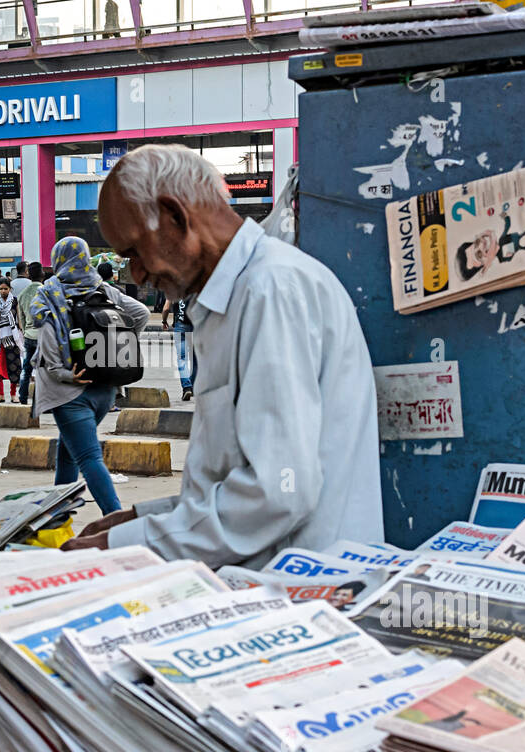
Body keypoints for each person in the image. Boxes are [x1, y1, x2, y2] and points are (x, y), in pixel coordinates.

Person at [63, 143, 383, 567]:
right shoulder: (229, 299)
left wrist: (129, 544)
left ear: (176, 216)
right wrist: (144, 516)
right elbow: (234, 481)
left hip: (295, 584)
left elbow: (278, 492)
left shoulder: (271, 290)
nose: (136, 274)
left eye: (134, 253)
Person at [30, 236, 148, 515]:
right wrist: (118, 350)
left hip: (71, 392)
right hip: (105, 390)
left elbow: (46, 337)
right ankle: (56, 516)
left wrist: (64, 374)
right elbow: (140, 314)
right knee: (68, 452)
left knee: (88, 457)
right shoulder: (104, 289)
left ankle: (116, 518)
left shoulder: (51, 293)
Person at [0, 278, 23, 403]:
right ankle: (1, 394)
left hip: (12, 338)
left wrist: (21, 332)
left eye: (5, 289)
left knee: (14, 366)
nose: (3, 291)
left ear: (10, 289)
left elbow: (18, 317)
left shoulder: (14, 301)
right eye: (1, 289)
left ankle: (13, 395)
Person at [16, 261, 44, 405]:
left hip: (28, 336)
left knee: (26, 369)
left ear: (28, 274)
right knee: (43, 370)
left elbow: (20, 320)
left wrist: (27, 330)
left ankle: (23, 397)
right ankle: (41, 400)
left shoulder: (22, 295)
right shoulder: (47, 292)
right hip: (43, 336)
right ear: (42, 274)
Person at [161, 296, 196, 401]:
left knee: (182, 359)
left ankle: (187, 387)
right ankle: (193, 387)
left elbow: (166, 308)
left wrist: (164, 321)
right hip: (195, 325)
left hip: (180, 325)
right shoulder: (195, 285)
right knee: (196, 359)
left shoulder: (173, 288)